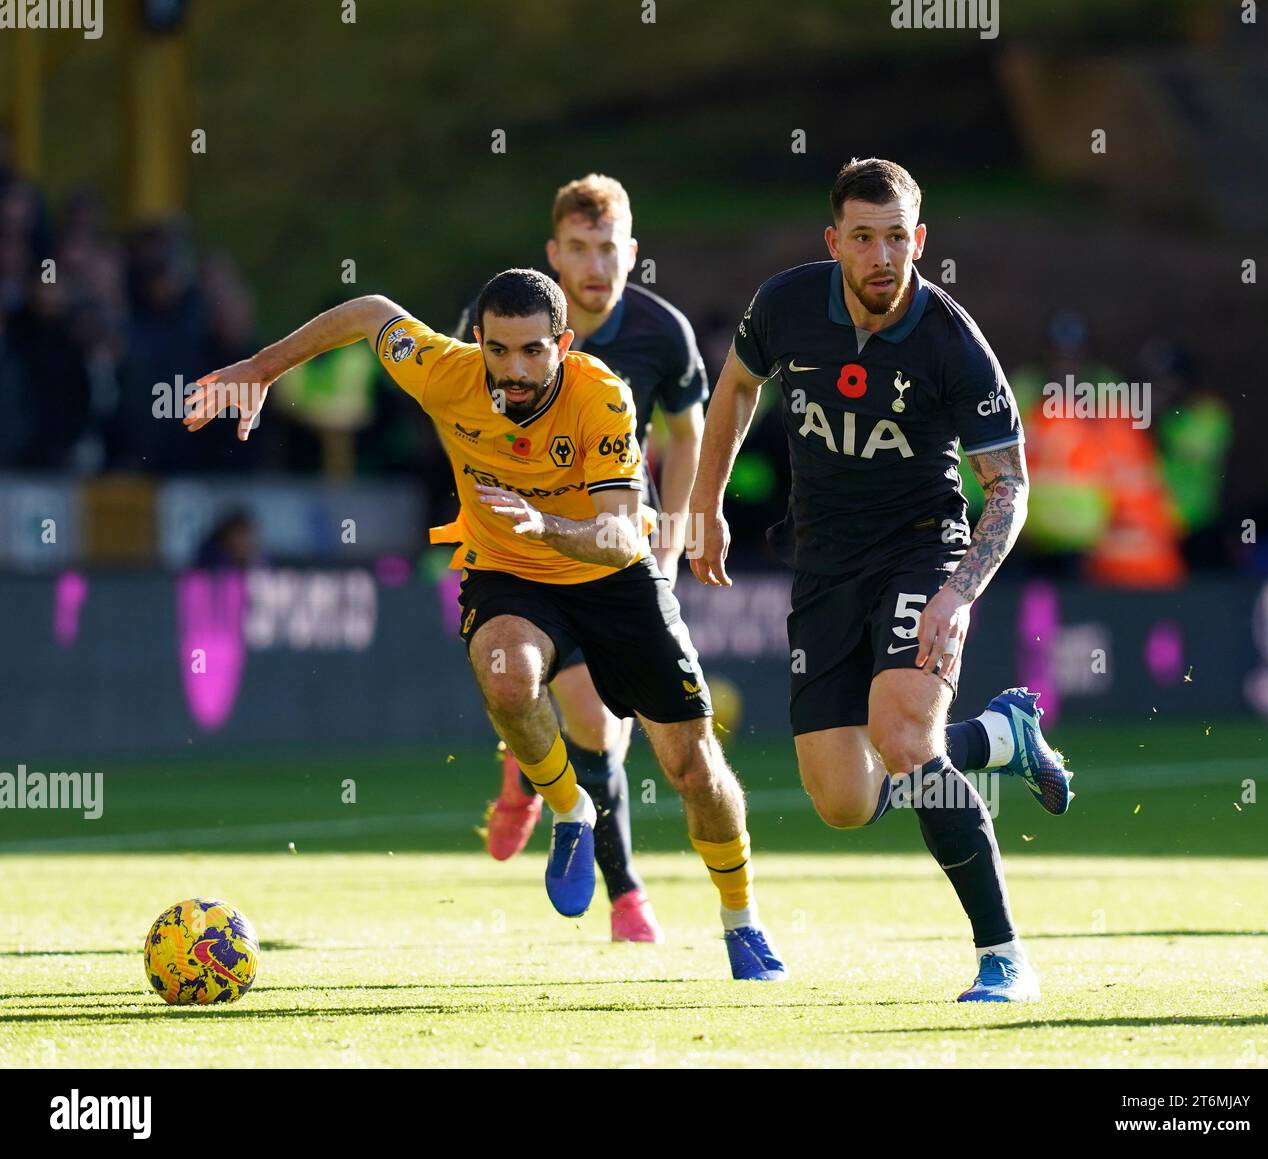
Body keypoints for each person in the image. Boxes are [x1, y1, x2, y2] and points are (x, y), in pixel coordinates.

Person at [185, 268, 786, 982]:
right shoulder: (448, 373)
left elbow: (624, 535)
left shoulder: (602, 397)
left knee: (692, 767)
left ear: (562, 343)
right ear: (478, 341)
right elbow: (370, 311)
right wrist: (260, 367)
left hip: (613, 577)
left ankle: (742, 922)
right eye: (499, 350)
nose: (515, 369)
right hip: (508, 573)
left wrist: (546, 523)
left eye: (533, 350)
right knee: (506, 676)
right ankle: (570, 811)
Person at [688, 158, 1073, 1002]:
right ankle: (999, 737)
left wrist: (957, 592)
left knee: (903, 738)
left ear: (920, 240)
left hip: (921, 551)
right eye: (863, 237)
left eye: (897, 237)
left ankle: (1004, 955)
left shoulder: (952, 340)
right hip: (823, 564)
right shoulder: (785, 304)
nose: (881, 255)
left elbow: (1009, 487)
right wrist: (704, 502)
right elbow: (737, 387)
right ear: (835, 242)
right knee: (845, 800)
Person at [443, 175, 708, 944]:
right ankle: (627, 895)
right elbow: (457, 407)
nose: (596, 266)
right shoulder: (501, 322)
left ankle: (527, 766)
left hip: (611, 548)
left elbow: (688, 434)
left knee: (605, 728)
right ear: (555, 254)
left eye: (609, 249)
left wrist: (674, 536)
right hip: (524, 553)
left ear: (631, 253)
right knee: (589, 717)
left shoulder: (663, 333)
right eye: (579, 249)